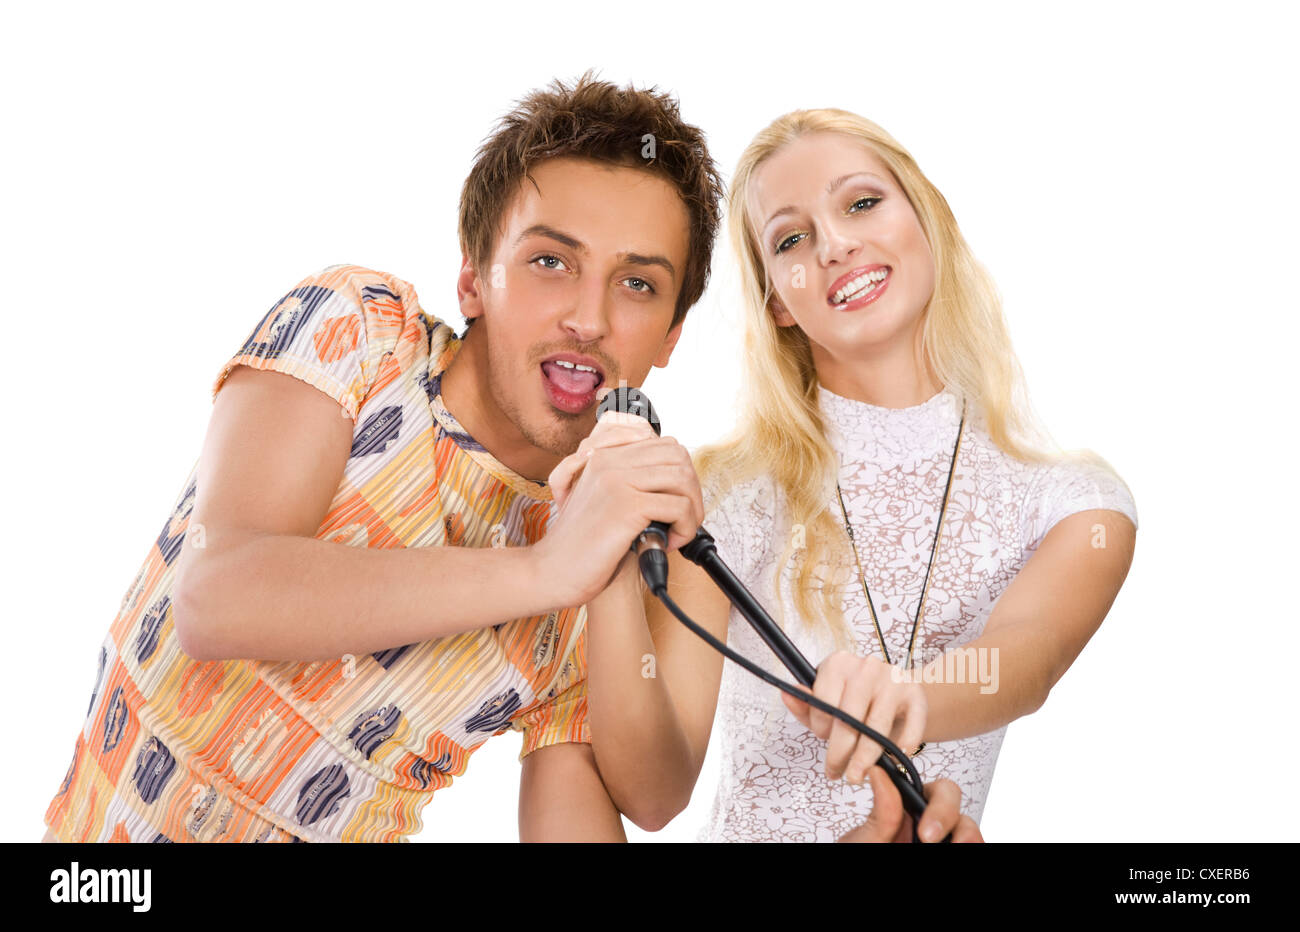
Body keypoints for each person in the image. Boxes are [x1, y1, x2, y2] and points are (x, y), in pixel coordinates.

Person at [40, 69, 721, 843]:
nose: (588, 319)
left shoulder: (595, 551)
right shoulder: (360, 332)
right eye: (550, 262)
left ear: (670, 337)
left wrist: (607, 564)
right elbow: (216, 597)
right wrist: (544, 570)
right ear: (473, 279)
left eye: (637, 284)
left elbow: (642, 800)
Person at [562, 108, 1138, 841]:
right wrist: (604, 560)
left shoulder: (1076, 507)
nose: (834, 243)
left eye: (862, 203)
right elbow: (652, 795)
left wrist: (906, 698)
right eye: (792, 239)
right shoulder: (718, 501)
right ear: (777, 301)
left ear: (929, 220)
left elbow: (1028, 659)